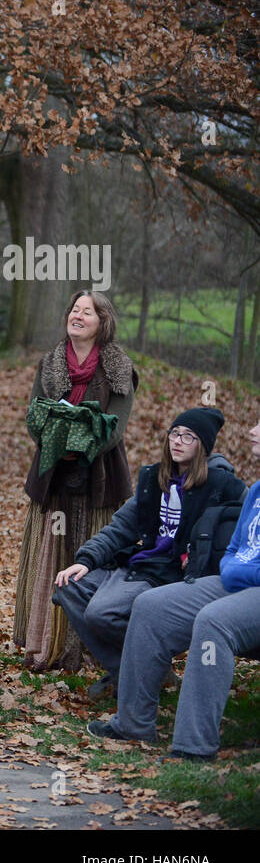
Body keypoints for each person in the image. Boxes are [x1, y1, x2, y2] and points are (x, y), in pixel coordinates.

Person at [88, 417, 260, 760]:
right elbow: (238, 546)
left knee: (213, 621)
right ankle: (132, 723)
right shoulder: (257, 491)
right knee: (151, 606)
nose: (253, 431)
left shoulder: (228, 484)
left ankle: (194, 746)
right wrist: (231, 567)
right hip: (236, 581)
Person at [52, 407, 245, 701]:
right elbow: (120, 528)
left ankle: (136, 675)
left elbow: (245, 525)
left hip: (170, 576)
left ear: (203, 446)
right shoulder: (154, 480)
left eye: (189, 437)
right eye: (175, 433)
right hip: (138, 564)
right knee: (69, 586)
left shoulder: (221, 487)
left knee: (101, 612)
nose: (178, 441)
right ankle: (140, 674)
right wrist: (85, 560)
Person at [14, 291, 136, 672]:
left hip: (100, 478)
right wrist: (55, 443)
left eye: (88, 312)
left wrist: (80, 445)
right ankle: (49, 645)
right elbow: (35, 416)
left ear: (103, 322)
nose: (78, 316)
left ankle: (91, 647)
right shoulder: (50, 363)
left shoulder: (118, 367)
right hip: (53, 475)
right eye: (74, 310)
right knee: (52, 555)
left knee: (90, 556)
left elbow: (115, 427)